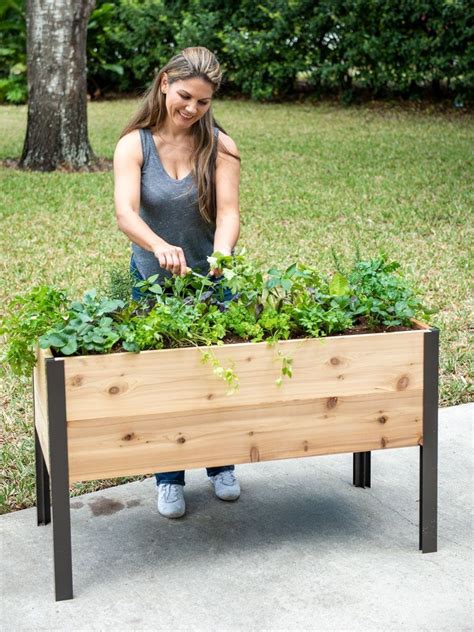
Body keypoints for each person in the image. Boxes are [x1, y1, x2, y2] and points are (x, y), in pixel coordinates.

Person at [113, 47, 241, 519]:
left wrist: (222, 254)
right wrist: (159, 245)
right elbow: (126, 213)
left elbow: (228, 214)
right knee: (165, 381)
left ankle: (221, 465)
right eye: (186, 96)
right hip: (152, 281)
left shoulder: (221, 146)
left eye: (204, 102)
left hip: (211, 281)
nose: (192, 109)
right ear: (165, 82)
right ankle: (168, 478)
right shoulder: (134, 144)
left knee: (218, 376)